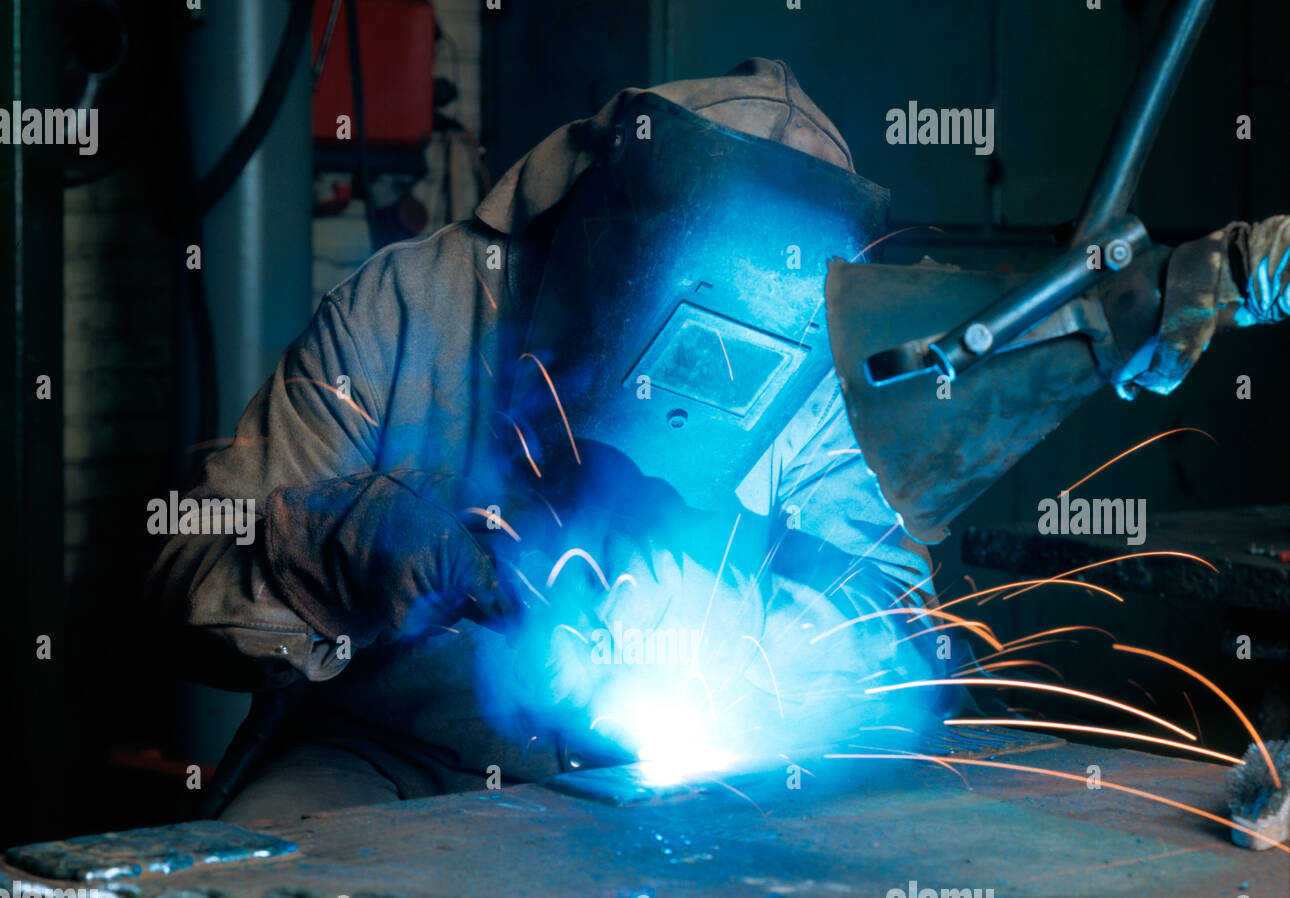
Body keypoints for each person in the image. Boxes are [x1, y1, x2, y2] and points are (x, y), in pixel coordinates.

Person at [149, 59, 1289, 821]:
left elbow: (889, 618)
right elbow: (183, 567)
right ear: (598, 245)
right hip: (391, 755)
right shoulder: (422, 304)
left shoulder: (832, 358)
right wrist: (370, 543)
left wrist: (770, 633)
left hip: (657, 786)